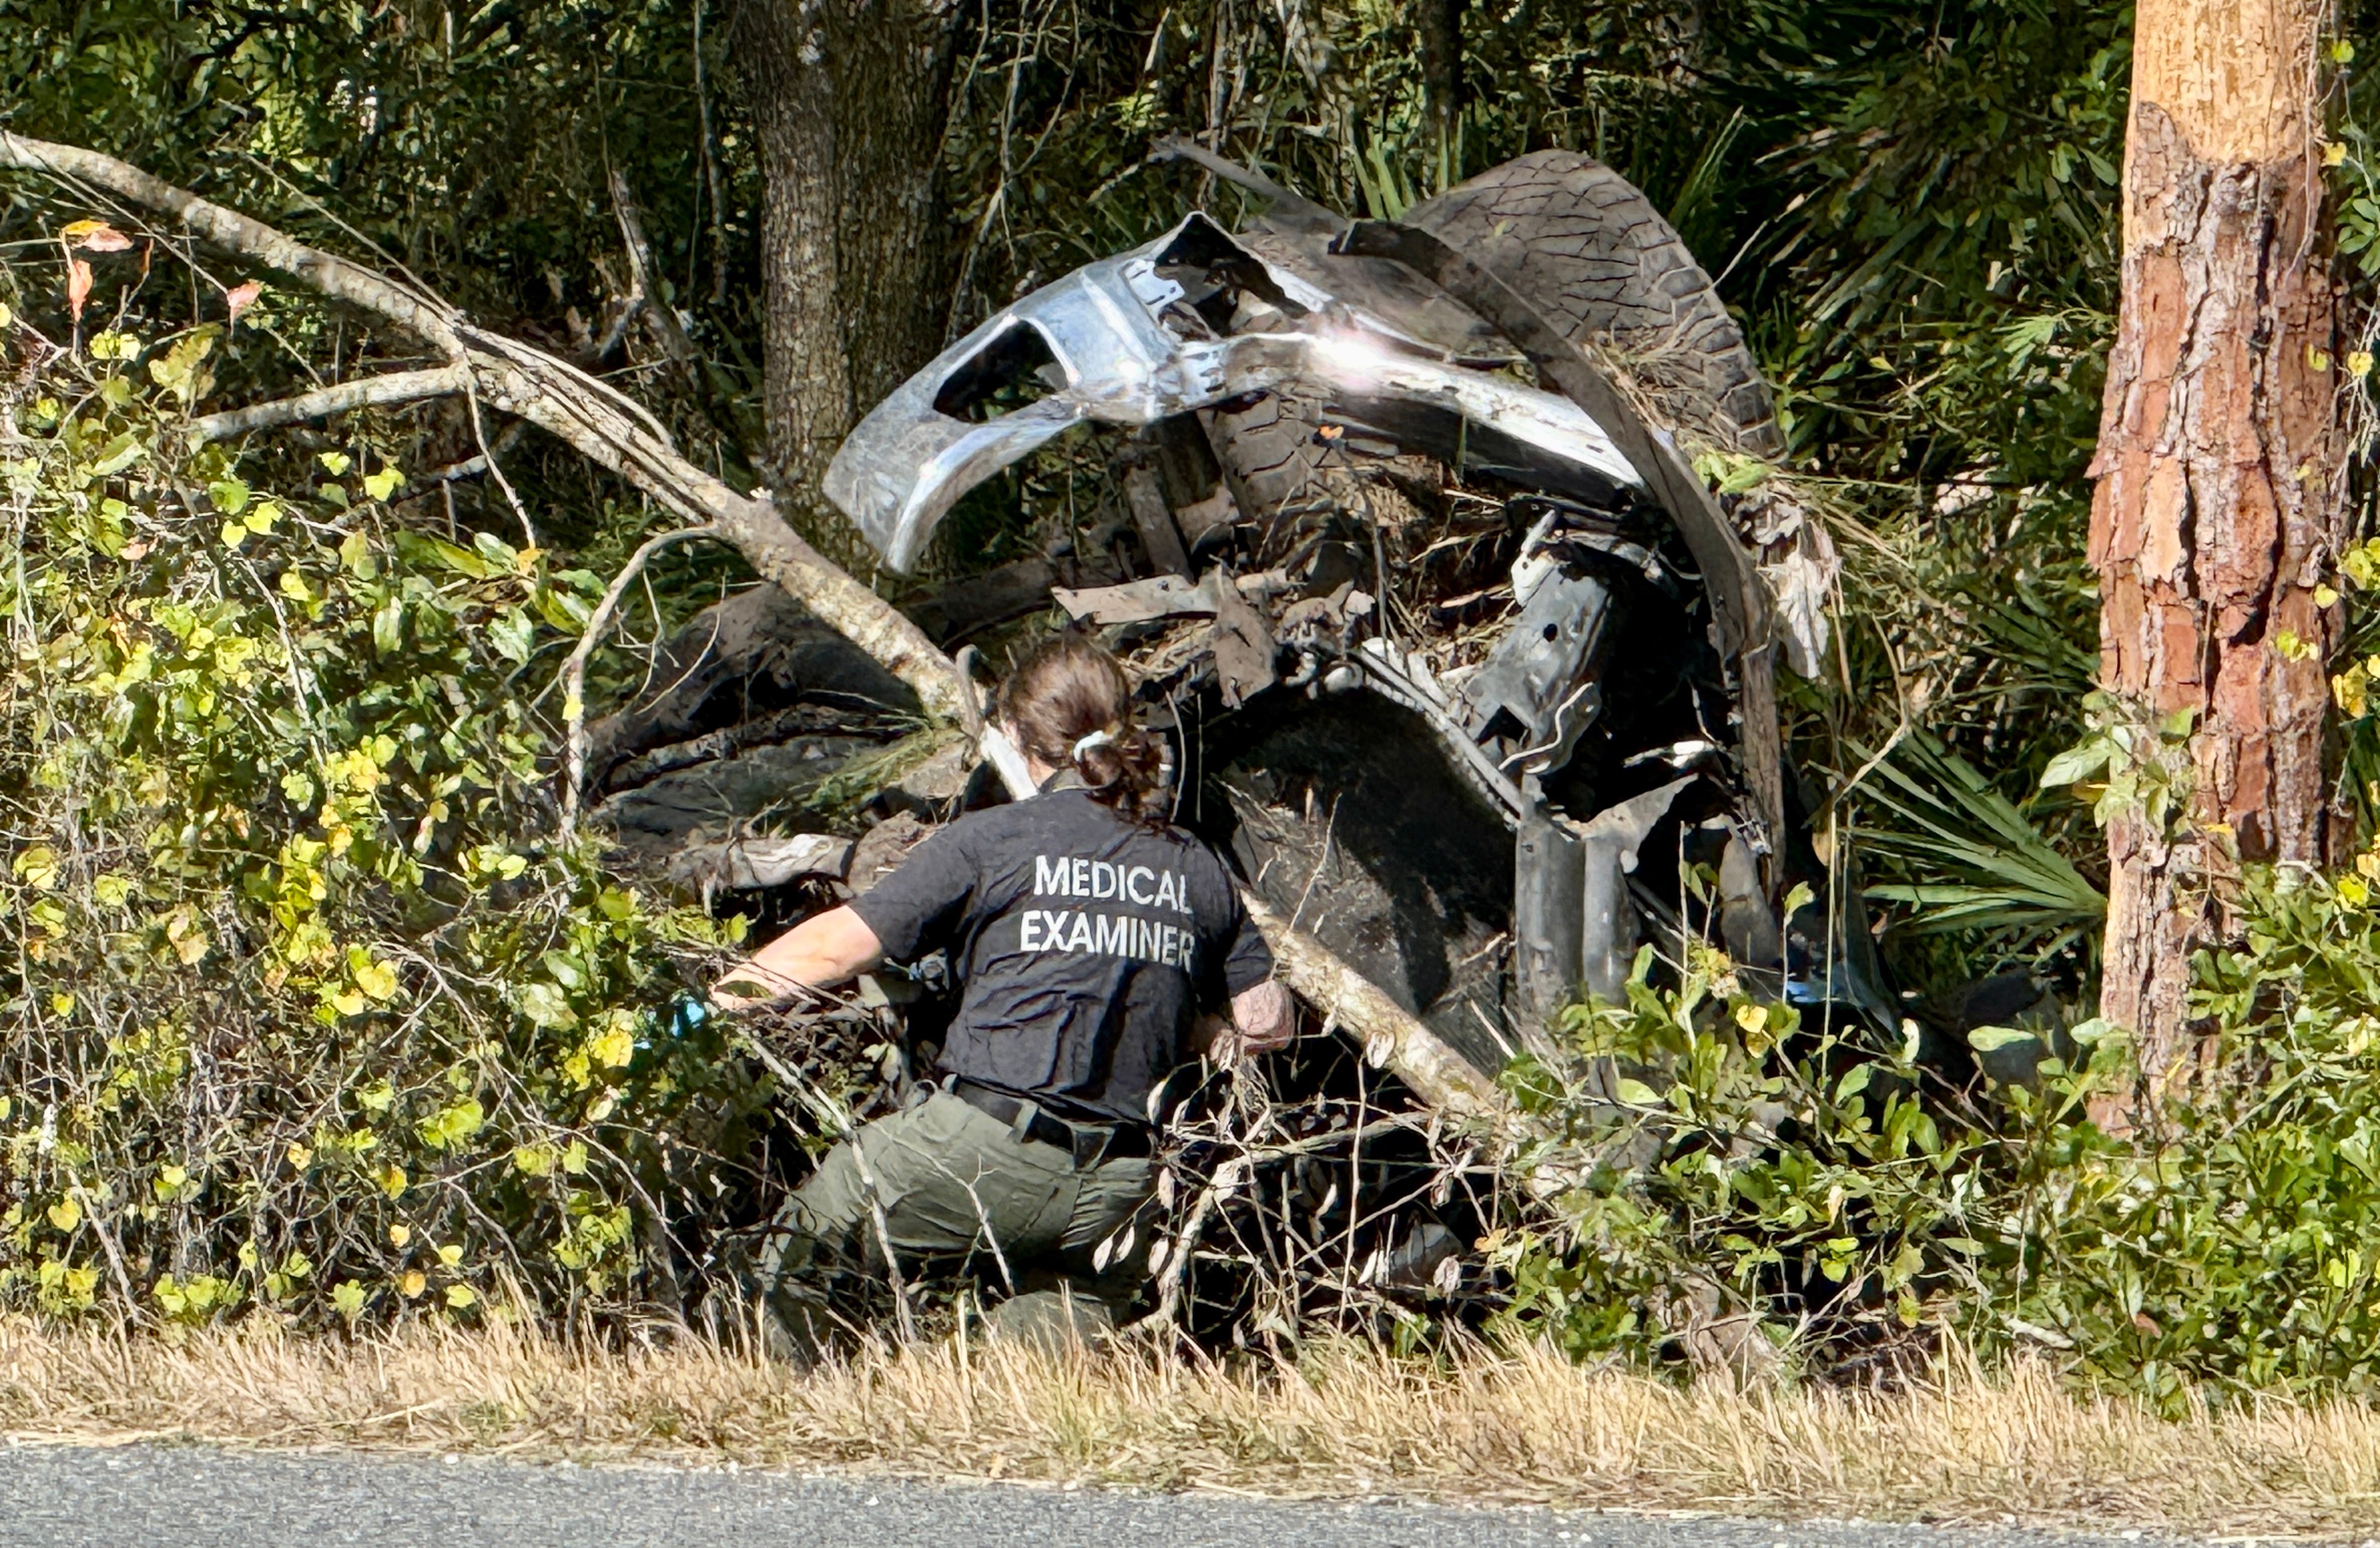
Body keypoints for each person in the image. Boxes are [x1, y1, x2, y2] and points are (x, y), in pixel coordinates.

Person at [712, 635, 1294, 1347]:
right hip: (1115, 1188)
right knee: (1038, 1370)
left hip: (978, 1151)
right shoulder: (1195, 863)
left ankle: (783, 1429)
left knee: (803, 1245)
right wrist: (1173, 1013)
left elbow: (832, 948)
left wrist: (708, 1005)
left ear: (1016, 735)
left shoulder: (993, 839)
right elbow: (1266, 1028)